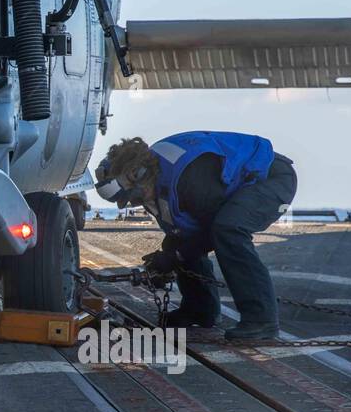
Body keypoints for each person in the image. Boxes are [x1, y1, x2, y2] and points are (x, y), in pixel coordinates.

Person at [94, 131, 298, 340]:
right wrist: (168, 258)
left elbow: (208, 233)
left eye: (134, 197)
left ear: (139, 175)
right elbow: (183, 235)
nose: (135, 203)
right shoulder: (155, 176)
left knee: (229, 230)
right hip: (237, 188)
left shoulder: (191, 179)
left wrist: (176, 257)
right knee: (176, 241)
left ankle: (262, 320)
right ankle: (201, 310)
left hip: (271, 179)